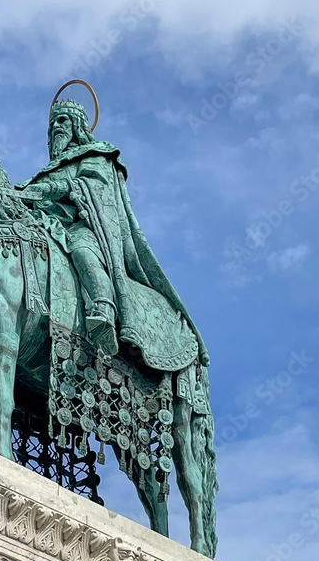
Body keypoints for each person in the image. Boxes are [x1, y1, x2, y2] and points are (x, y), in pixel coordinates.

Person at [17, 99, 208, 368]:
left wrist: (58, 189)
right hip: (44, 226)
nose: (55, 128)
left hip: (83, 227)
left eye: (62, 121)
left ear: (77, 125)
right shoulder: (43, 173)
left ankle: (103, 307)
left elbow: (96, 189)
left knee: (82, 248)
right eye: (52, 124)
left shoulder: (96, 155)